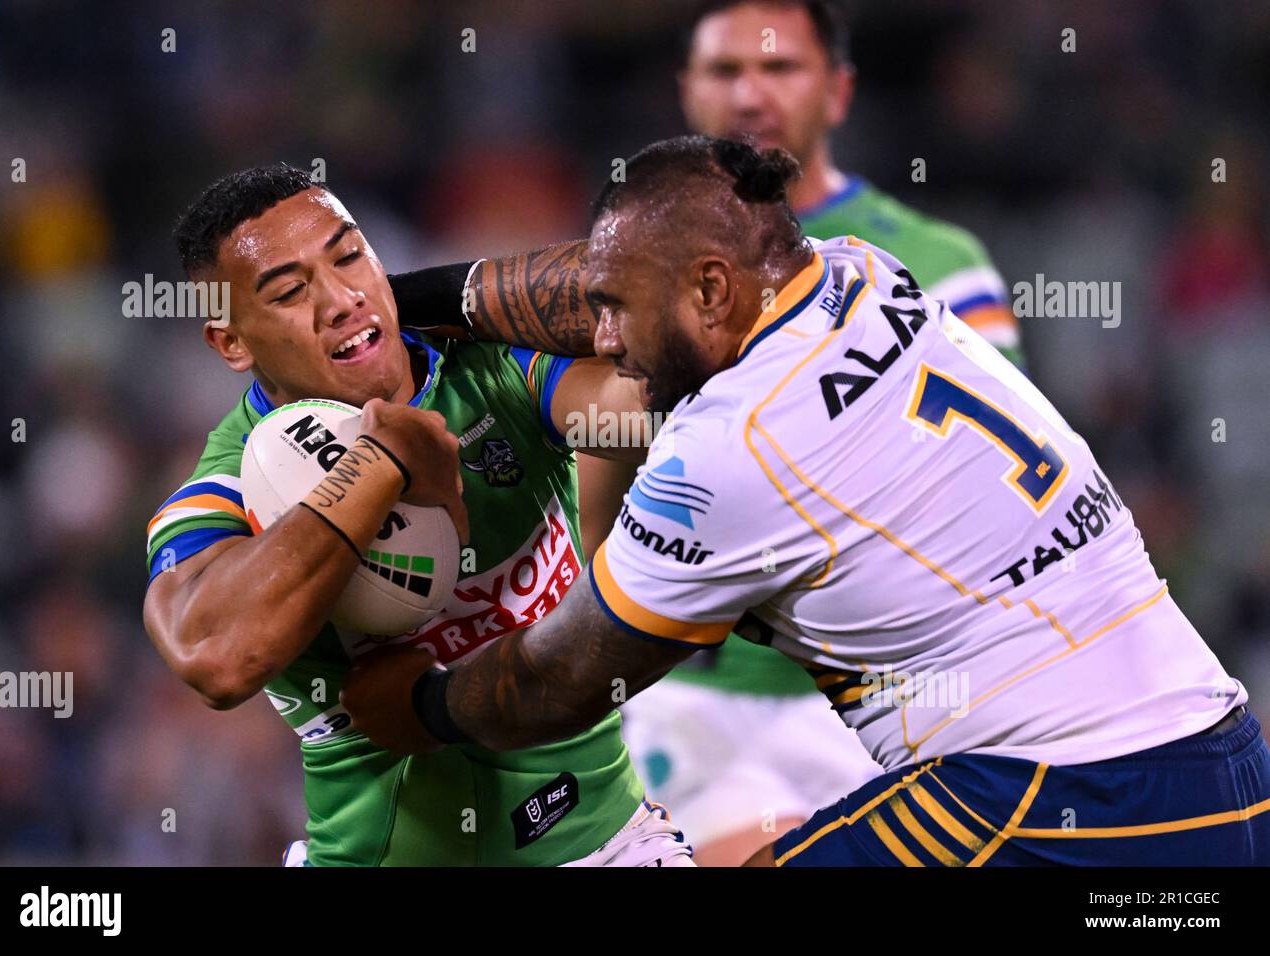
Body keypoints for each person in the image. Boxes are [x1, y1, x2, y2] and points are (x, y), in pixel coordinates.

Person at [342, 137, 1269, 866]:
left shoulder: (728, 454)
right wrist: (391, 306)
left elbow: (556, 684)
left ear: (710, 288)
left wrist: (418, 705)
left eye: (618, 310)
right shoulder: (856, 274)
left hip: (1077, 802)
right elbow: (604, 277)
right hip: (1224, 769)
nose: (605, 337)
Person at [142, 164, 693, 866]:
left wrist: (442, 295)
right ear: (231, 343)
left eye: (349, 257)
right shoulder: (229, 480)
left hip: (613, 844)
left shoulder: (495, 369)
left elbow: (670, 346)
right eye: (288, 292)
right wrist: (380, 464)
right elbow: (214, 657)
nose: (340, 300)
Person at [580, 0, 1025, 865]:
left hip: (881, 700)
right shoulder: (633, 255)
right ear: (685, 90)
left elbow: (981, 489)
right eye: (723, 70)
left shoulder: (939, 262)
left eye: (780, 68)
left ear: (840, 90)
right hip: (688, 693)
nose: (750, 93)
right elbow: (600, 440)